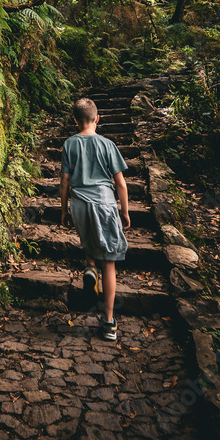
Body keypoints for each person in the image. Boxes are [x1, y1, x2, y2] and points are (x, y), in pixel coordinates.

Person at [60, 97, 130, 341]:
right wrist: (125, 211)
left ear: (75, 120)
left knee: (90, 239)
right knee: (109, 263)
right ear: (97, 118)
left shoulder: (69, 144)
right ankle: (109, 322)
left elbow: (65, 181)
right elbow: (120, 183)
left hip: (79, 203)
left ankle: (90, 267)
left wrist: (63, 210)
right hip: (104, 202)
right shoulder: (108, 145)